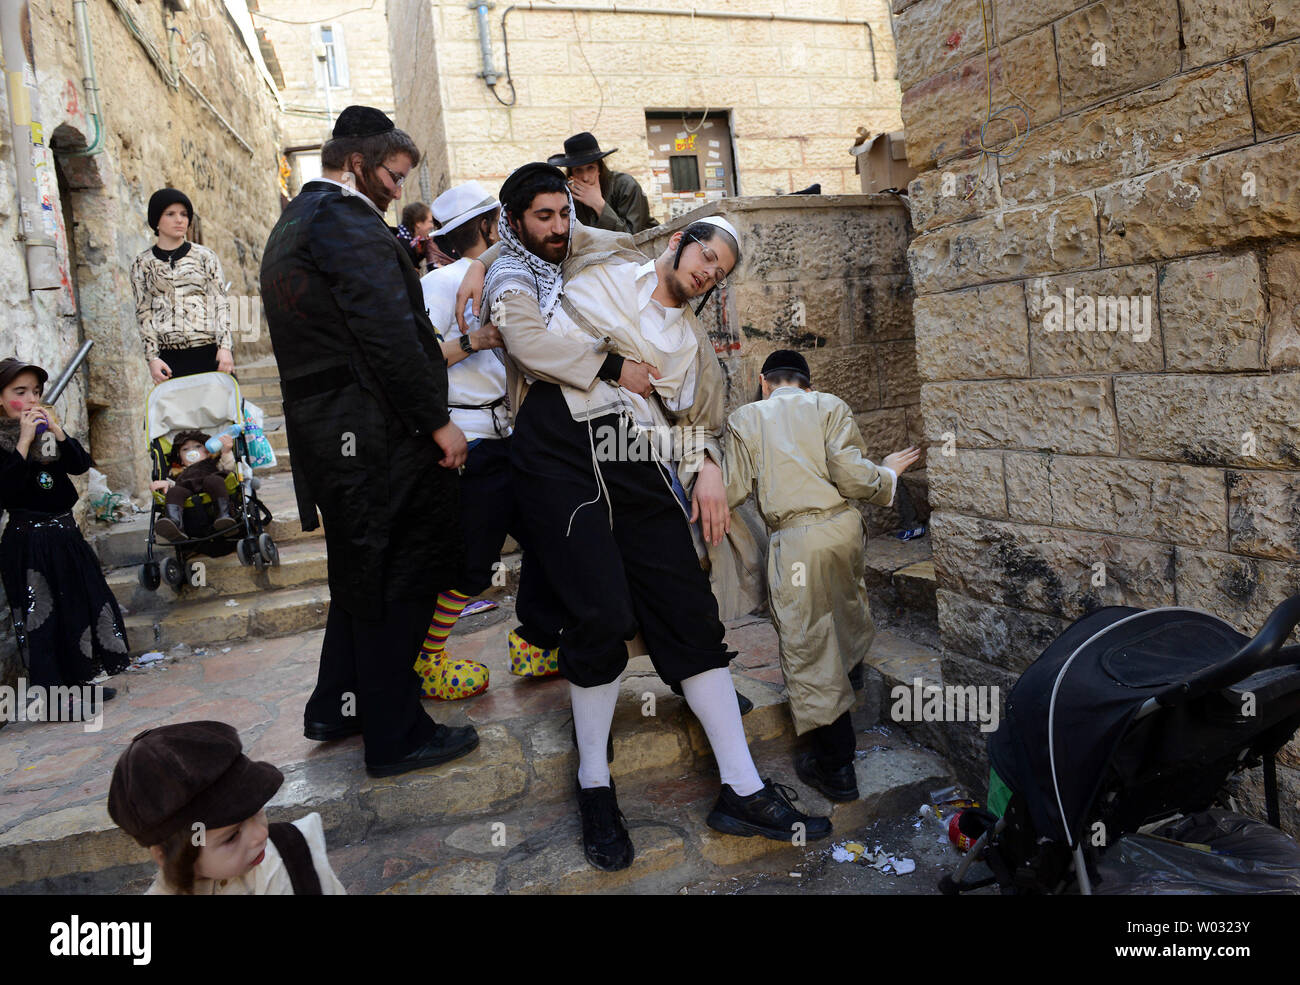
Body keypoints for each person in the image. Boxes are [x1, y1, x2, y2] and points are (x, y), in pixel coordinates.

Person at [477, 163, 829, 871]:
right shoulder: (604, 253)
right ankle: (594, 784)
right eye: (705, 255)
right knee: (601, 612)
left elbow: (695, 424)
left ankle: (743, 785)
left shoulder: (693, 349)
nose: (709, 273)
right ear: (678, 244)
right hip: (558, 431)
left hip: (633, 451)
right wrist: (474, 267)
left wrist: (703, 464)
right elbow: (528, 238)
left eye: (721, 271)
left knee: (687, 606)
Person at [259, 104, 477, 778]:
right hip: (373, 431)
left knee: (362, 570)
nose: (399, 188)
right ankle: (397, 732)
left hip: (335, 433)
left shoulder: (293, 220)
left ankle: (336, 705)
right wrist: (436, 421)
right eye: (392, 173)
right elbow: (387, 335)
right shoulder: (345, 220)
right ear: (357, 162)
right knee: (398, 575)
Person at [723, 350, 921, 802]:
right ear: (806, 385)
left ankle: (835, 766)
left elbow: (731, 490)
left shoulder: (746, 418)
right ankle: (847, 692)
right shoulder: (829, 405)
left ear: (763, 381)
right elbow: (852, 478)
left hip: (797, 540)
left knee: (809, 644)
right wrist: (887, 473)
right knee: (846, 614)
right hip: (843, 530)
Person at [413, 180, 565, 699]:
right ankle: (427, 657)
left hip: (512, 431)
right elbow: (417, 362)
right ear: (490, 224)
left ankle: (537, 640)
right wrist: (473, 340)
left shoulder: (503, 271)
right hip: (472, 435)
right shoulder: (438, 286)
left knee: (550, 531)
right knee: (474, 558)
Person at [0, 358, 129, 706]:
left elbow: (79, 464)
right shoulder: (3, 440)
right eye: (20, 392)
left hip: (64, 535)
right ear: (0, 398)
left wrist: (56, 430)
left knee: (79, 607)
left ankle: (81, 680)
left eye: (36, 392)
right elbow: (6, 489)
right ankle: (53, 696)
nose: (31, 399)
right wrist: (23, 442)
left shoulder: (48, 433)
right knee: (42, 618)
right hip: (29, 541)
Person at [107, 721, 346, 894]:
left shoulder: (296, 851)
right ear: (164, 856)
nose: (261, 833)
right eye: (231, 837)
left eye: (257, 811)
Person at [131, 189, 234, 383]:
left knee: (220, 412)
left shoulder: (205, 256)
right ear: (157, 221)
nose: (179, 220)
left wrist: (225, 347)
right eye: (170, 214)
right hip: (169, 360)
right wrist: (152, 358)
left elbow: (220, 303)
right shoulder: (142, 264)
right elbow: (143, 312)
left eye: (184, 214)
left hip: (209, 352)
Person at [548, 132, 657, 234]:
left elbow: (632, 236)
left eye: (590, 168)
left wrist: (599, 205)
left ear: (599, 168)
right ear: (571, 174)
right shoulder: (569, 195)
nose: (585, 178)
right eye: (578, 170)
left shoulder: (625, 185)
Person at [149, 429, 238, 542]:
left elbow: (229, 468)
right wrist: (163, 483)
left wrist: (226, 452)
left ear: (208, 451)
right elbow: (172, 484)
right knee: (174, 491)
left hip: (210, 485)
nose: (191, 451)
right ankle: (175, 524)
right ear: (180, 458)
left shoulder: (214, 462)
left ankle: (224, 515)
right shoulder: (178, 471)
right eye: (185, 449)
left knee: (215, 480)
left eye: (197, 447)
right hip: (186, 489)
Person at [396, 201, 452, 272]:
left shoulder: (412, 241)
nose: (432, 226)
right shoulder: (401, 246)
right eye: (430, 222)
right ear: (418, 223)